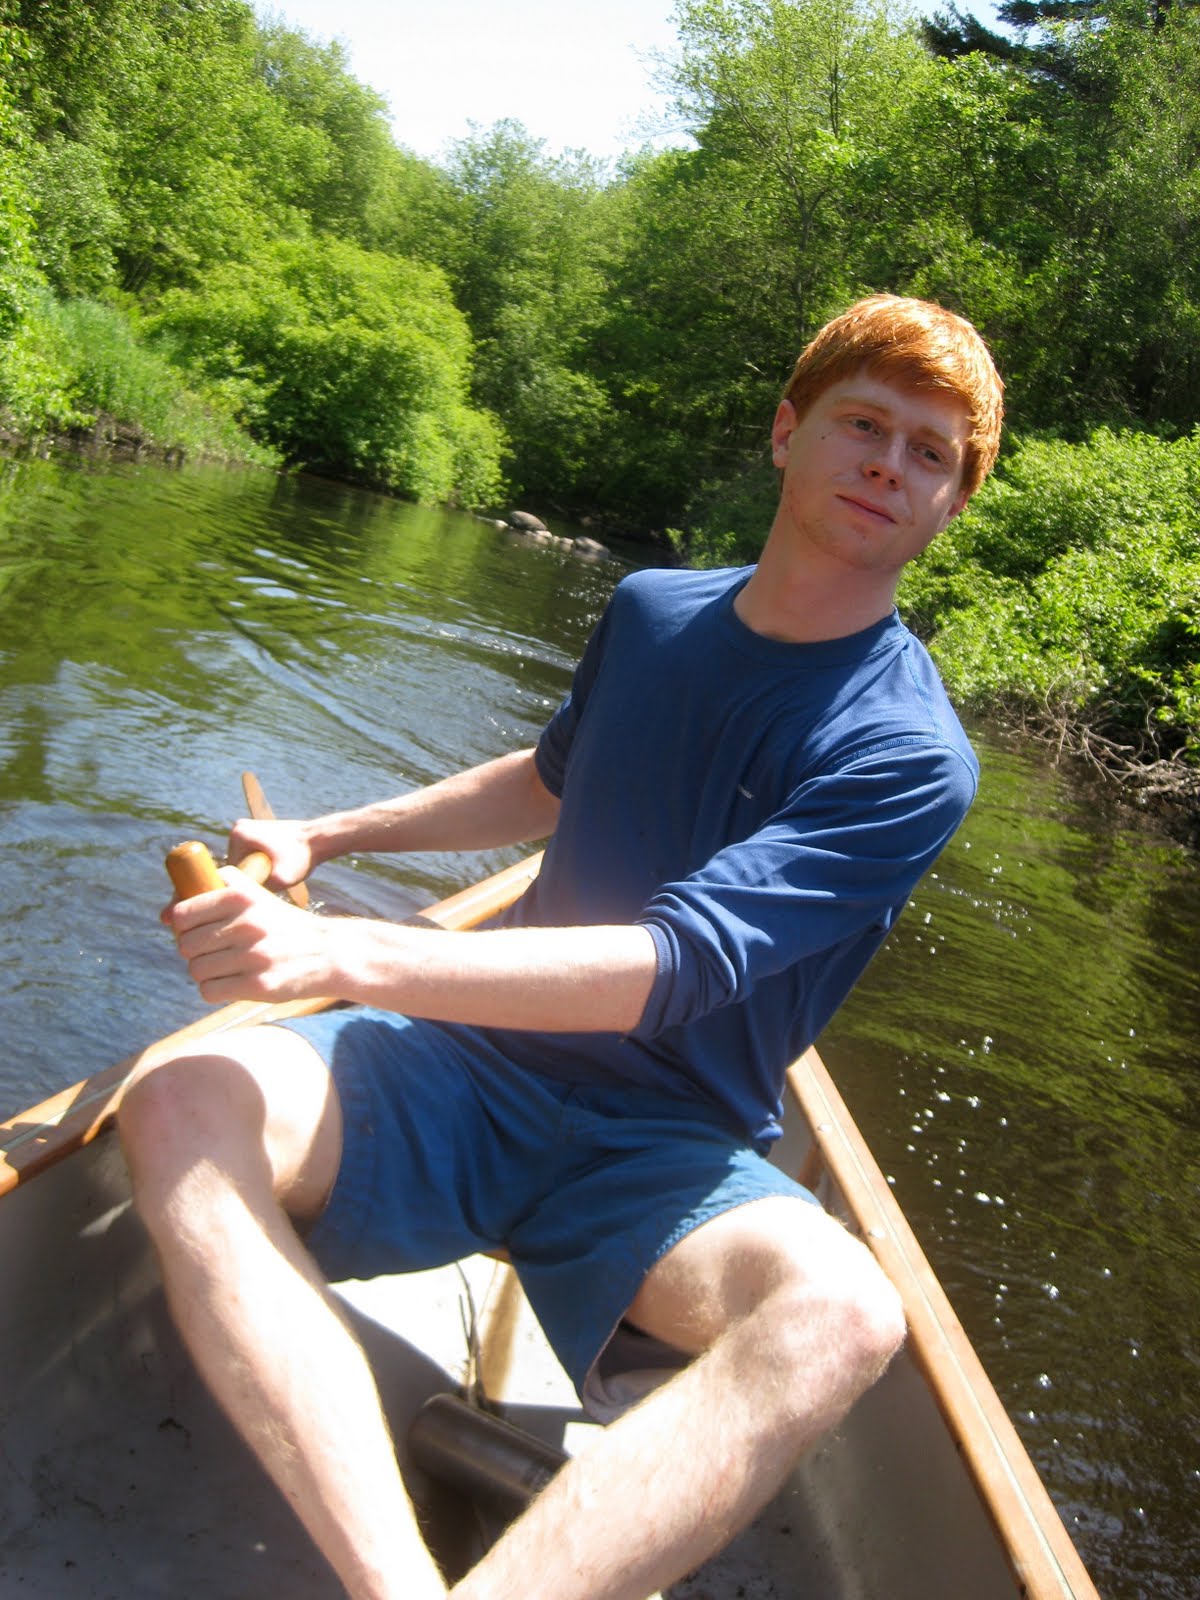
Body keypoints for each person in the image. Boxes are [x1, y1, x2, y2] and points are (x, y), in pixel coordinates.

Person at [118, 292, 1004, 1600]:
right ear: (785, 432)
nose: (889, 462)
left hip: (669, 1147)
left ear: (954, 504)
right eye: (863, 424)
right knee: (181, 1100)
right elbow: (547, 781)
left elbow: (671, 966)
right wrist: (332, 835)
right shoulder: (651, 613)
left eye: (931, 452)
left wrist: (338, 959)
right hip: (473, 1071)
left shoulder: (912, 754)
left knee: (846, 1313)